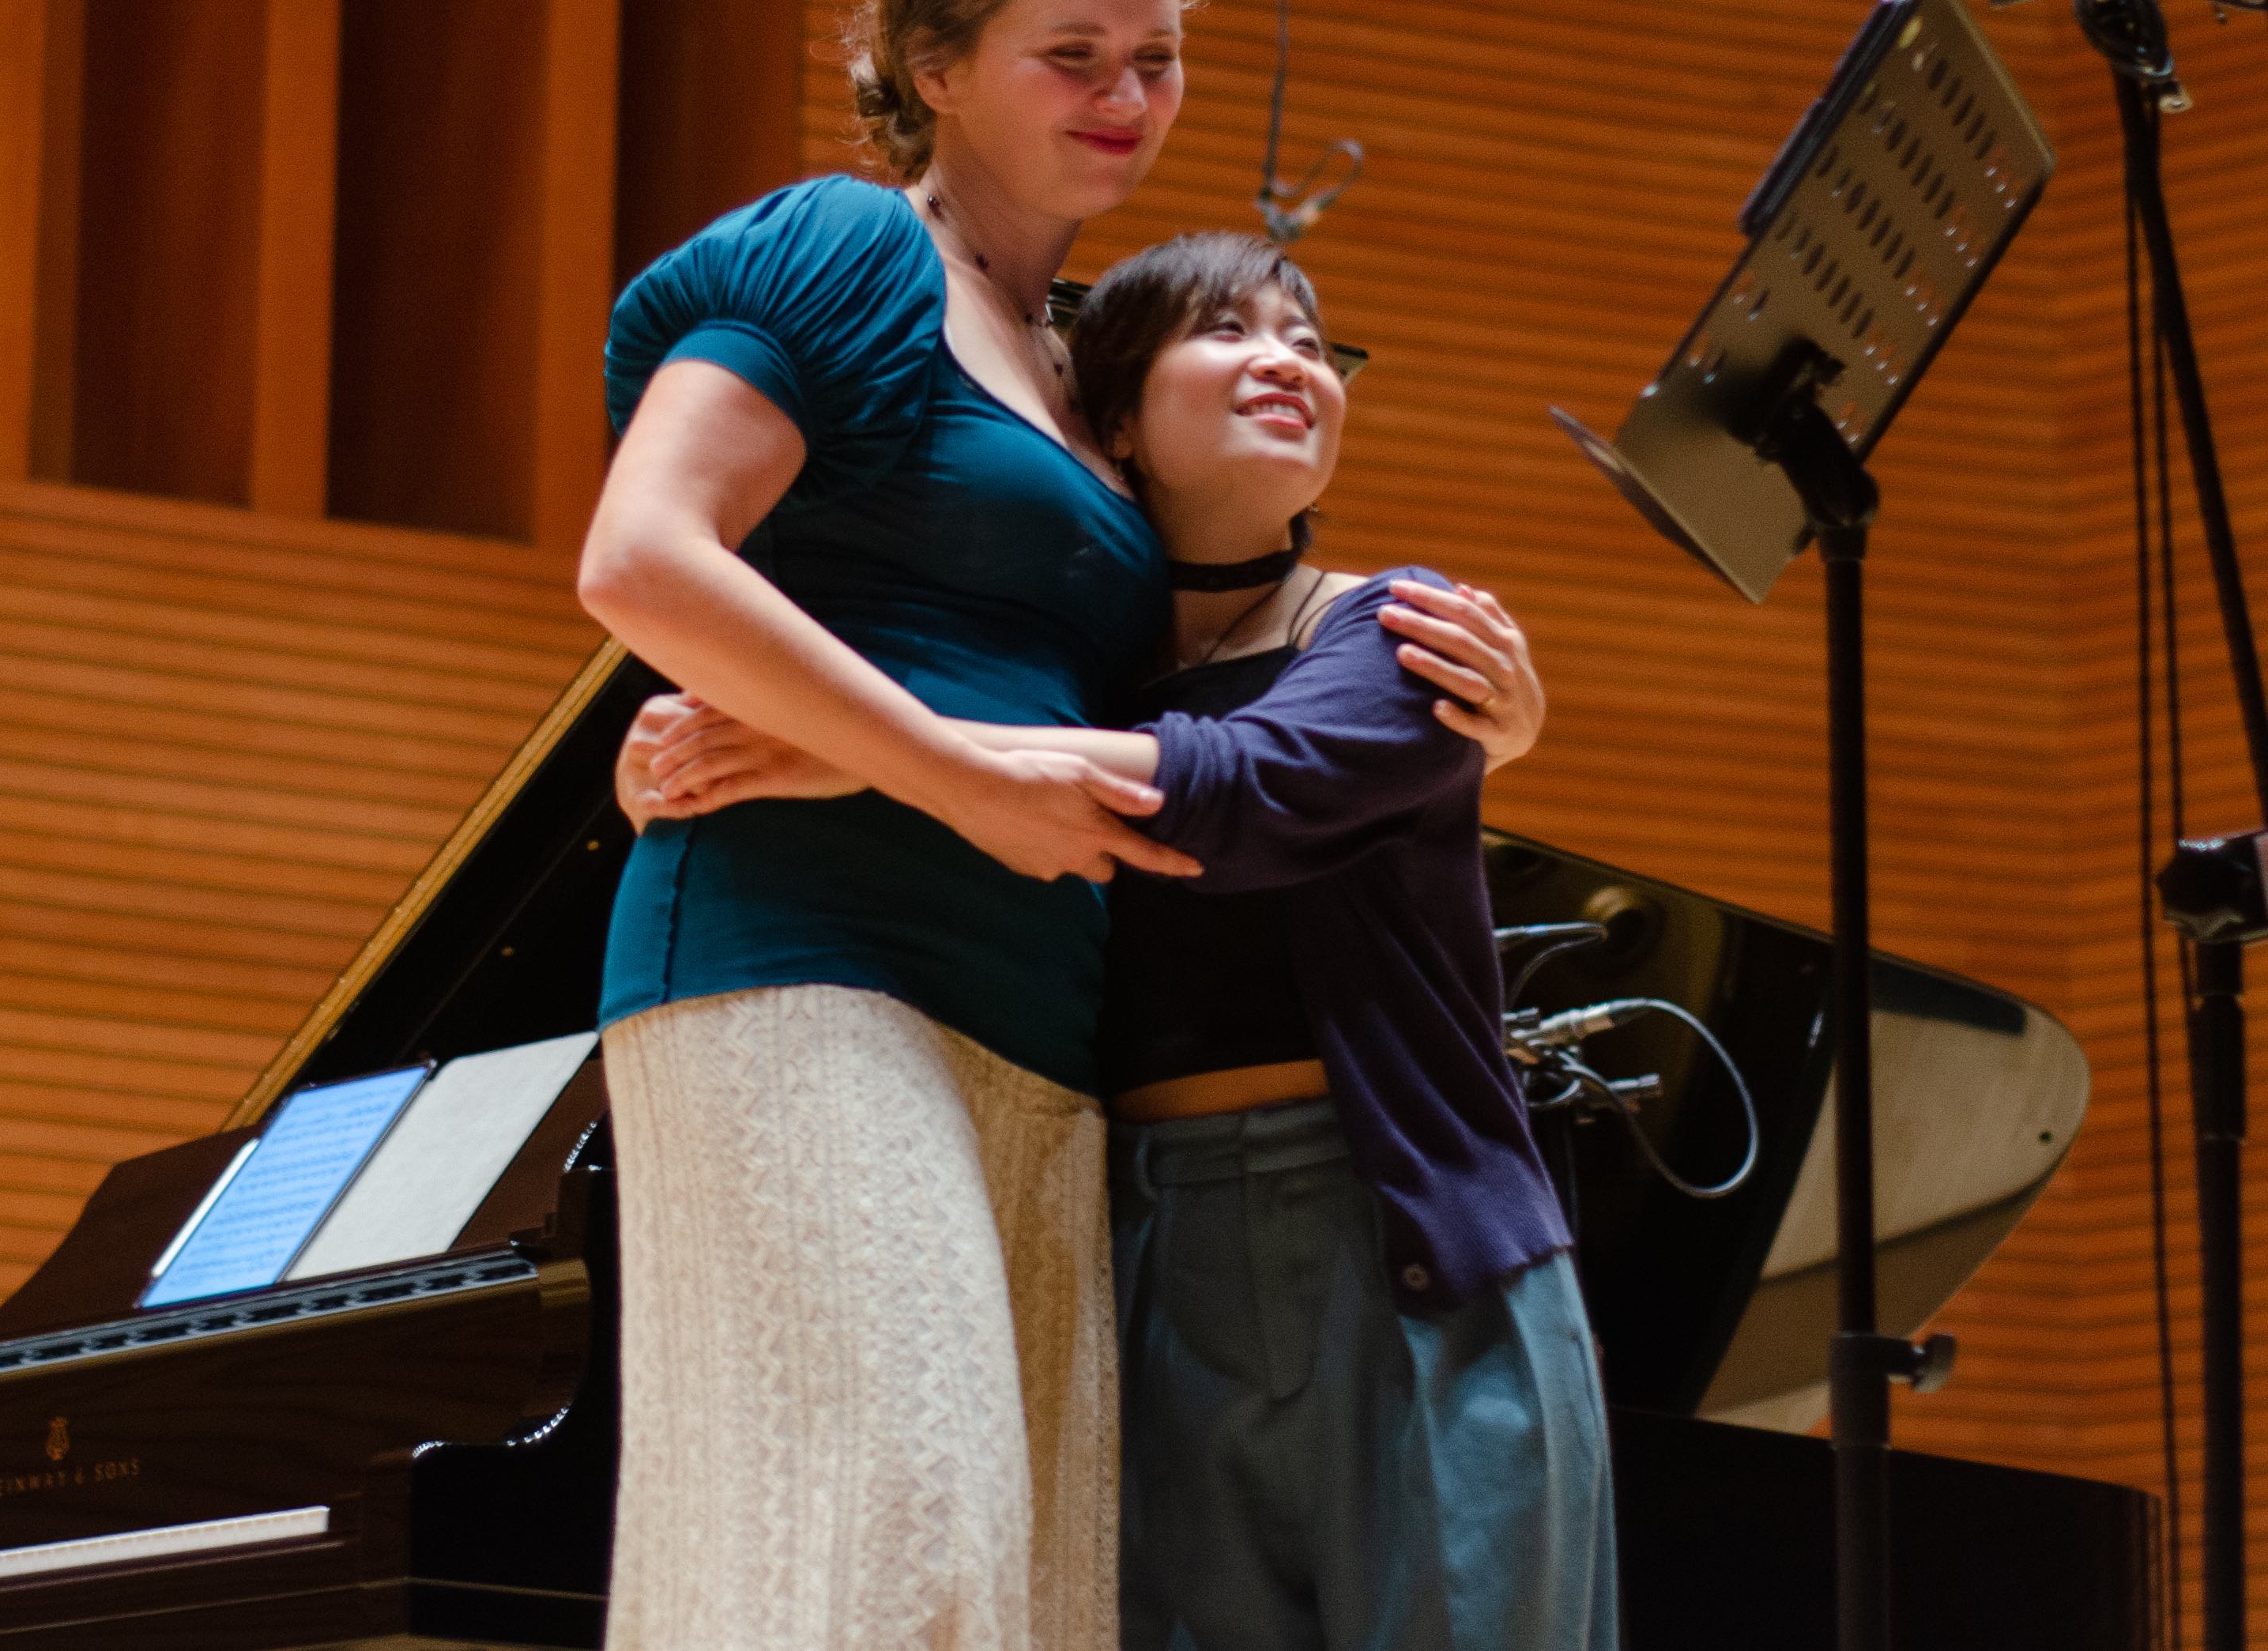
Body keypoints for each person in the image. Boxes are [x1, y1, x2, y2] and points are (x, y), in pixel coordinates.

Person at [625, 232, 1621, 1651]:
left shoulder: (1398, 623)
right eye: (1226, 330)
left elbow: (1242, 790)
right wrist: (688, 755)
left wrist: (877, 754)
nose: (1285, 359)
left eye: (1306, 339)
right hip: (1151, 1253)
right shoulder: (1065, 683)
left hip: (1405, 1243)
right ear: (1112, 421)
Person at [575, 0, 1208, 1651]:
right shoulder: (850, 248)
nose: (1124, 96)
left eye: (1152, 59)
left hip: (1041, 1022)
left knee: (1020, 1605)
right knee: (885, 1573)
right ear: (935, 66)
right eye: (1068, 53)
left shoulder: (1085, 370)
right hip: (805, 962)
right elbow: (639, 556)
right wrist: (944, 767)